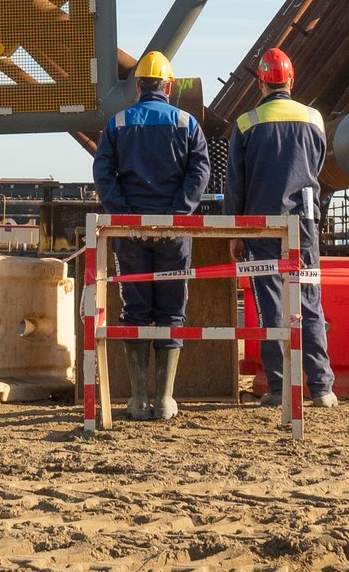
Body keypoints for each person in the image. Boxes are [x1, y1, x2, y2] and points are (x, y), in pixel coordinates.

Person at [90, 49, 209, 421]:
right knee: (172, 310)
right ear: (169, 86)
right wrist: (176, 215)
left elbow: (103, 172)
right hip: (175, 234)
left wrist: (125, 215)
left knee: (135, 310)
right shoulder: (188, 124)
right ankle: (166, 400)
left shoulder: (117, 124)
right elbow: (200, 172)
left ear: (138, 86)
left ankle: (138, 399)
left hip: (129, 232)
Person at [225, 47, 334, 407]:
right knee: (309, 301)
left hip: (261, 224)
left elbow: (236, 186)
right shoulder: (314, 120)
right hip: (303, 222)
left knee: (270, 303)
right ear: (291, 79)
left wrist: (236, 233)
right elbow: (316, 167)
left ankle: (278, 386)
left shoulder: (246, 124)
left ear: (260, 83)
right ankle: (321, 387)